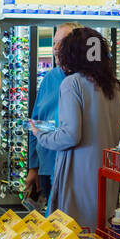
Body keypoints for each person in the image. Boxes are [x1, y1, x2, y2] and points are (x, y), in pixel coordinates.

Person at [30, 26, 120, 231]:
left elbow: (70, 135)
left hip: (78, 178)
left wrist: (41, 135)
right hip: (108, 177)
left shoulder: (72, 84)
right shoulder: (115, 87)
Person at [25, 21, 80, 209]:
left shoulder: (88, 82)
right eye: (55, 42)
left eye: (62, 42)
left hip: (76, 169)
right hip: (48, 166)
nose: (56, 48)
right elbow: (35, 122)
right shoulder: (50, 78)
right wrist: (33, 167)